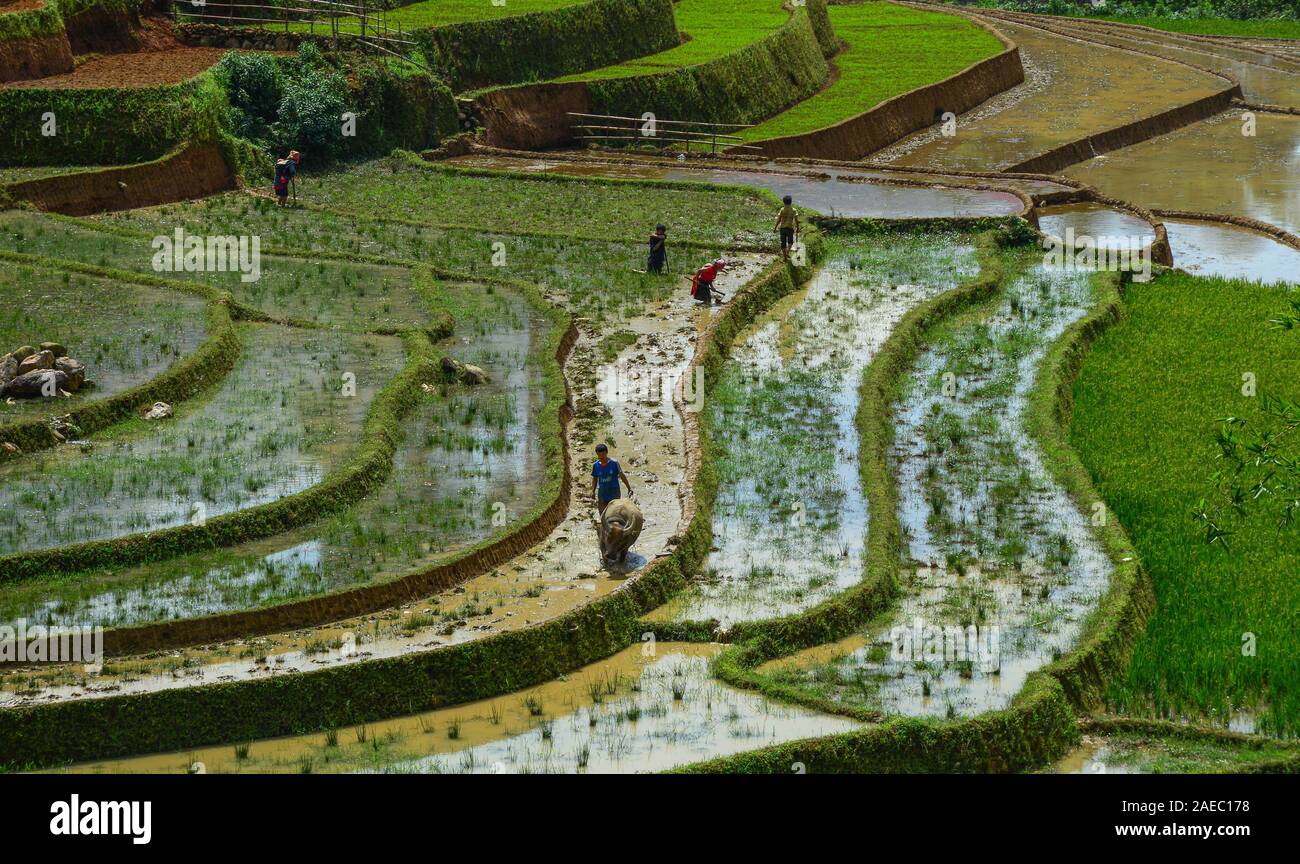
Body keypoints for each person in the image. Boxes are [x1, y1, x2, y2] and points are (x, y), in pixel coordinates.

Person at [590, 443, 633, 515]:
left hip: (614, 492)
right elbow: (595, 478)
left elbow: (622, 475)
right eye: (599, 457)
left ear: (606, 453)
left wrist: (629, 488)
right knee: (603, 514)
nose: (601, 458)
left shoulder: (614, 463)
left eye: (603, 456)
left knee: (615, 514)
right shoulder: (596, 465)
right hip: (602, 493)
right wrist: (593, 491)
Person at [775, 195, 799, 259]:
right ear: (791, 202)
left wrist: (775, 227)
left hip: (782, 228)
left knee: (783, 243)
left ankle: (785, 257)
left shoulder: (782, 209)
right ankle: (787, 252)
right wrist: (798, 228)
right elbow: (796, 221)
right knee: (790, 242)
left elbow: (779, 219)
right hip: (790, 228)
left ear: (784, 202)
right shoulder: (794, 210)